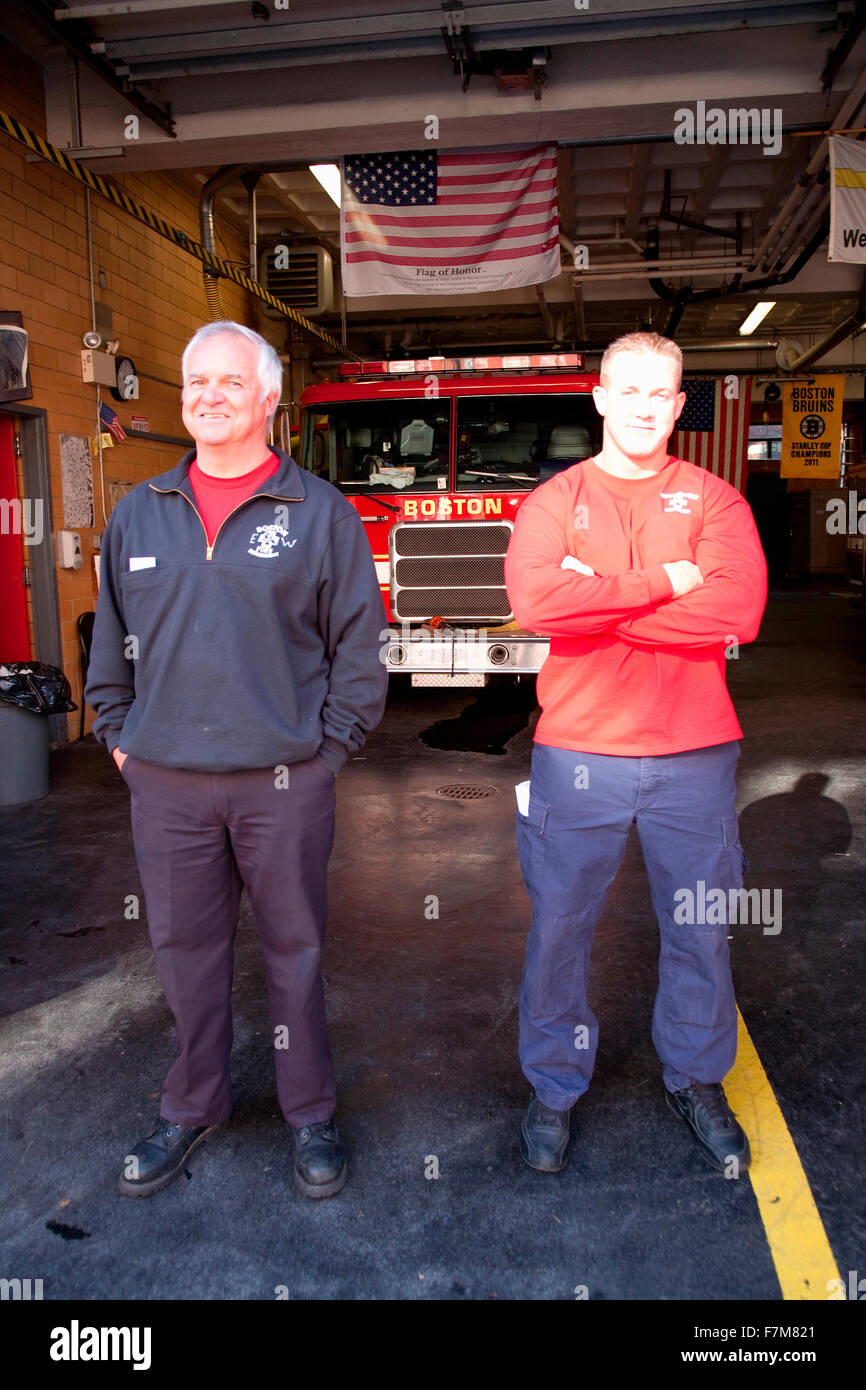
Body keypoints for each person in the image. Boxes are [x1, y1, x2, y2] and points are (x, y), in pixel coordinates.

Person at [85, 321, 387, 1200]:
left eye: (228, 381)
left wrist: (329, 752)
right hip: (167, 782)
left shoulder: (319, 512)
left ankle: (310, 1111)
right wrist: (118, 734)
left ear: (267, 399)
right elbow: (111, 637)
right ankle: (192, 1104)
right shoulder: (140, 510)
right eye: (194, 382)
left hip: (286, 781)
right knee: (183, 949)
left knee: (295, 950)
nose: (208, 395)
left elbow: (360, 647)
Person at [504, 331, 767, 1177]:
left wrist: (598, 602)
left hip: (694, 756)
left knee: (700, 929)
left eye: (664, 394)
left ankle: (695, 1077)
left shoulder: (717, 501)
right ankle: (552, 1088)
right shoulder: (556, 499)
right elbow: (537, 600)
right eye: (631, 391)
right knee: (560, 930)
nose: (647, 407)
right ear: (602, 399)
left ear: (680, 404)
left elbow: (741, 613)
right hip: (578, 754)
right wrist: (667, 581)